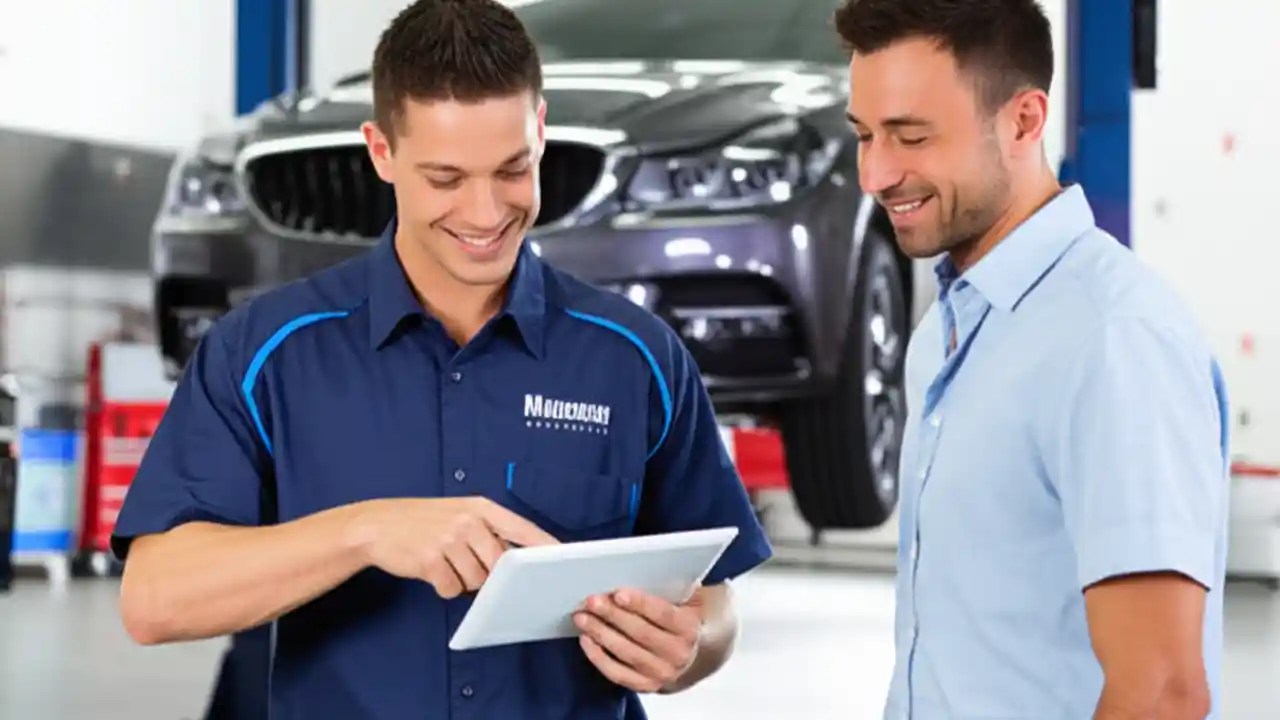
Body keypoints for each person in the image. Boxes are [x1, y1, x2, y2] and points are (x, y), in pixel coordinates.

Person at [110, 1, 772, 717]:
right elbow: (154, 600)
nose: (486, 214)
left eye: (512, 168)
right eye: (447, 179)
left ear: (540, 130)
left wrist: (690, 645)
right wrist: (364, 532)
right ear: (381, 151)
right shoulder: (264, 354)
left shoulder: (637, 358)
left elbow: (715, 602)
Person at [832, 0, 1230, 718]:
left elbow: (1164, 692)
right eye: (864, 136)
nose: (876, 174)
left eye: (911, 136)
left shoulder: (1112, 339)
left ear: (1024, 120)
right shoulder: (946, 335)